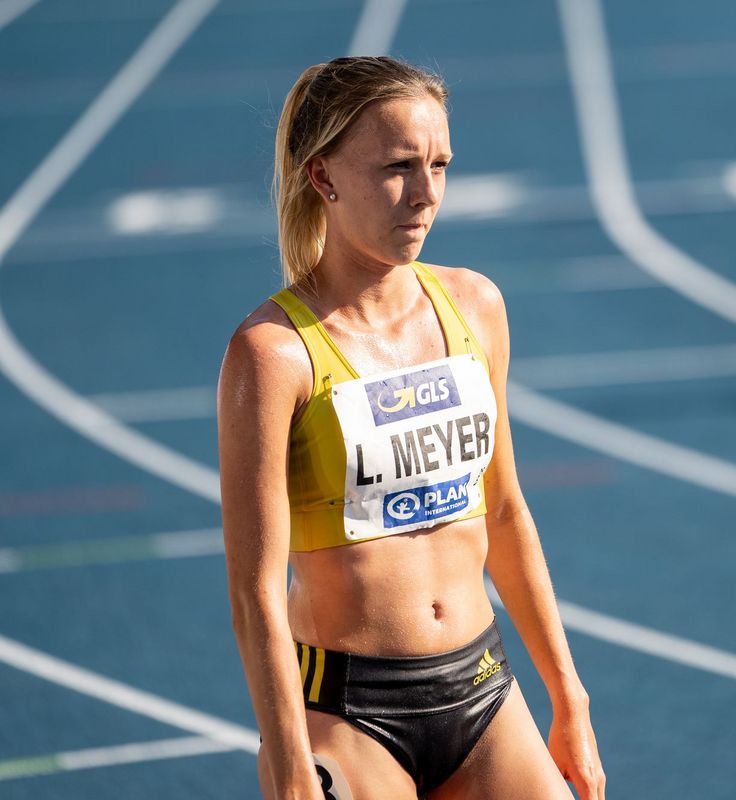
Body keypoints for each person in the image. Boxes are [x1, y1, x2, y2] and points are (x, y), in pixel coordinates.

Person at [217, 56, 604, 800]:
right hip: (347, 712)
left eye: (439, 164)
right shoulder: (273, 353)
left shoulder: (475, 306)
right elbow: (253, 592)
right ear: (322, 177)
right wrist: (294, 767)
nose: (425, 195)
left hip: (483, 685)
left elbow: (504, 512)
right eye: (398, 167)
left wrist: (570, 699)